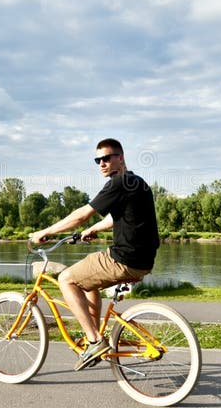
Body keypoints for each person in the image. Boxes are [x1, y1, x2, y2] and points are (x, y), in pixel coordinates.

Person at [30, 138, 160, 370]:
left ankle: (94, 341)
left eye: (106, 158)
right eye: (97, 160)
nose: (102, 164)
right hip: (143, 260)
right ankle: (96, 333)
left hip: (123, 259)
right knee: (89, 283)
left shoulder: (118, 182)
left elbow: (81, 214)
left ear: (120, 157)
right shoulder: (137, 182)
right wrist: (93, 229)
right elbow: (114, 218)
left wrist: (45, 232)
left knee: (66, 279)